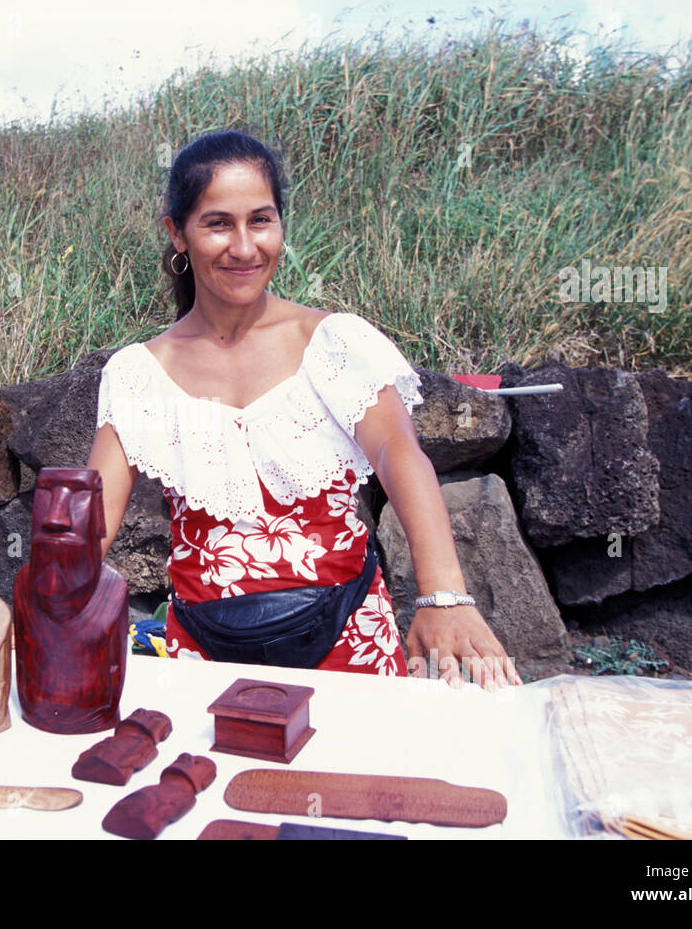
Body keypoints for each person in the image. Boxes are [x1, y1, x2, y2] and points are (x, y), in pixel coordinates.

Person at [88, 131, 520, 690]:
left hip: (350, 641)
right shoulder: (136, 374)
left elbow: (398, 452)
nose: (244, 247)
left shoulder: (334, 344)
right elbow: (88, 522)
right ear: (177, 233)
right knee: (210, 773)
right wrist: (48, 601)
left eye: (261, 221)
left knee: (364, 776)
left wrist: (444, 596)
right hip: (202, 657)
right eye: (218, 223)